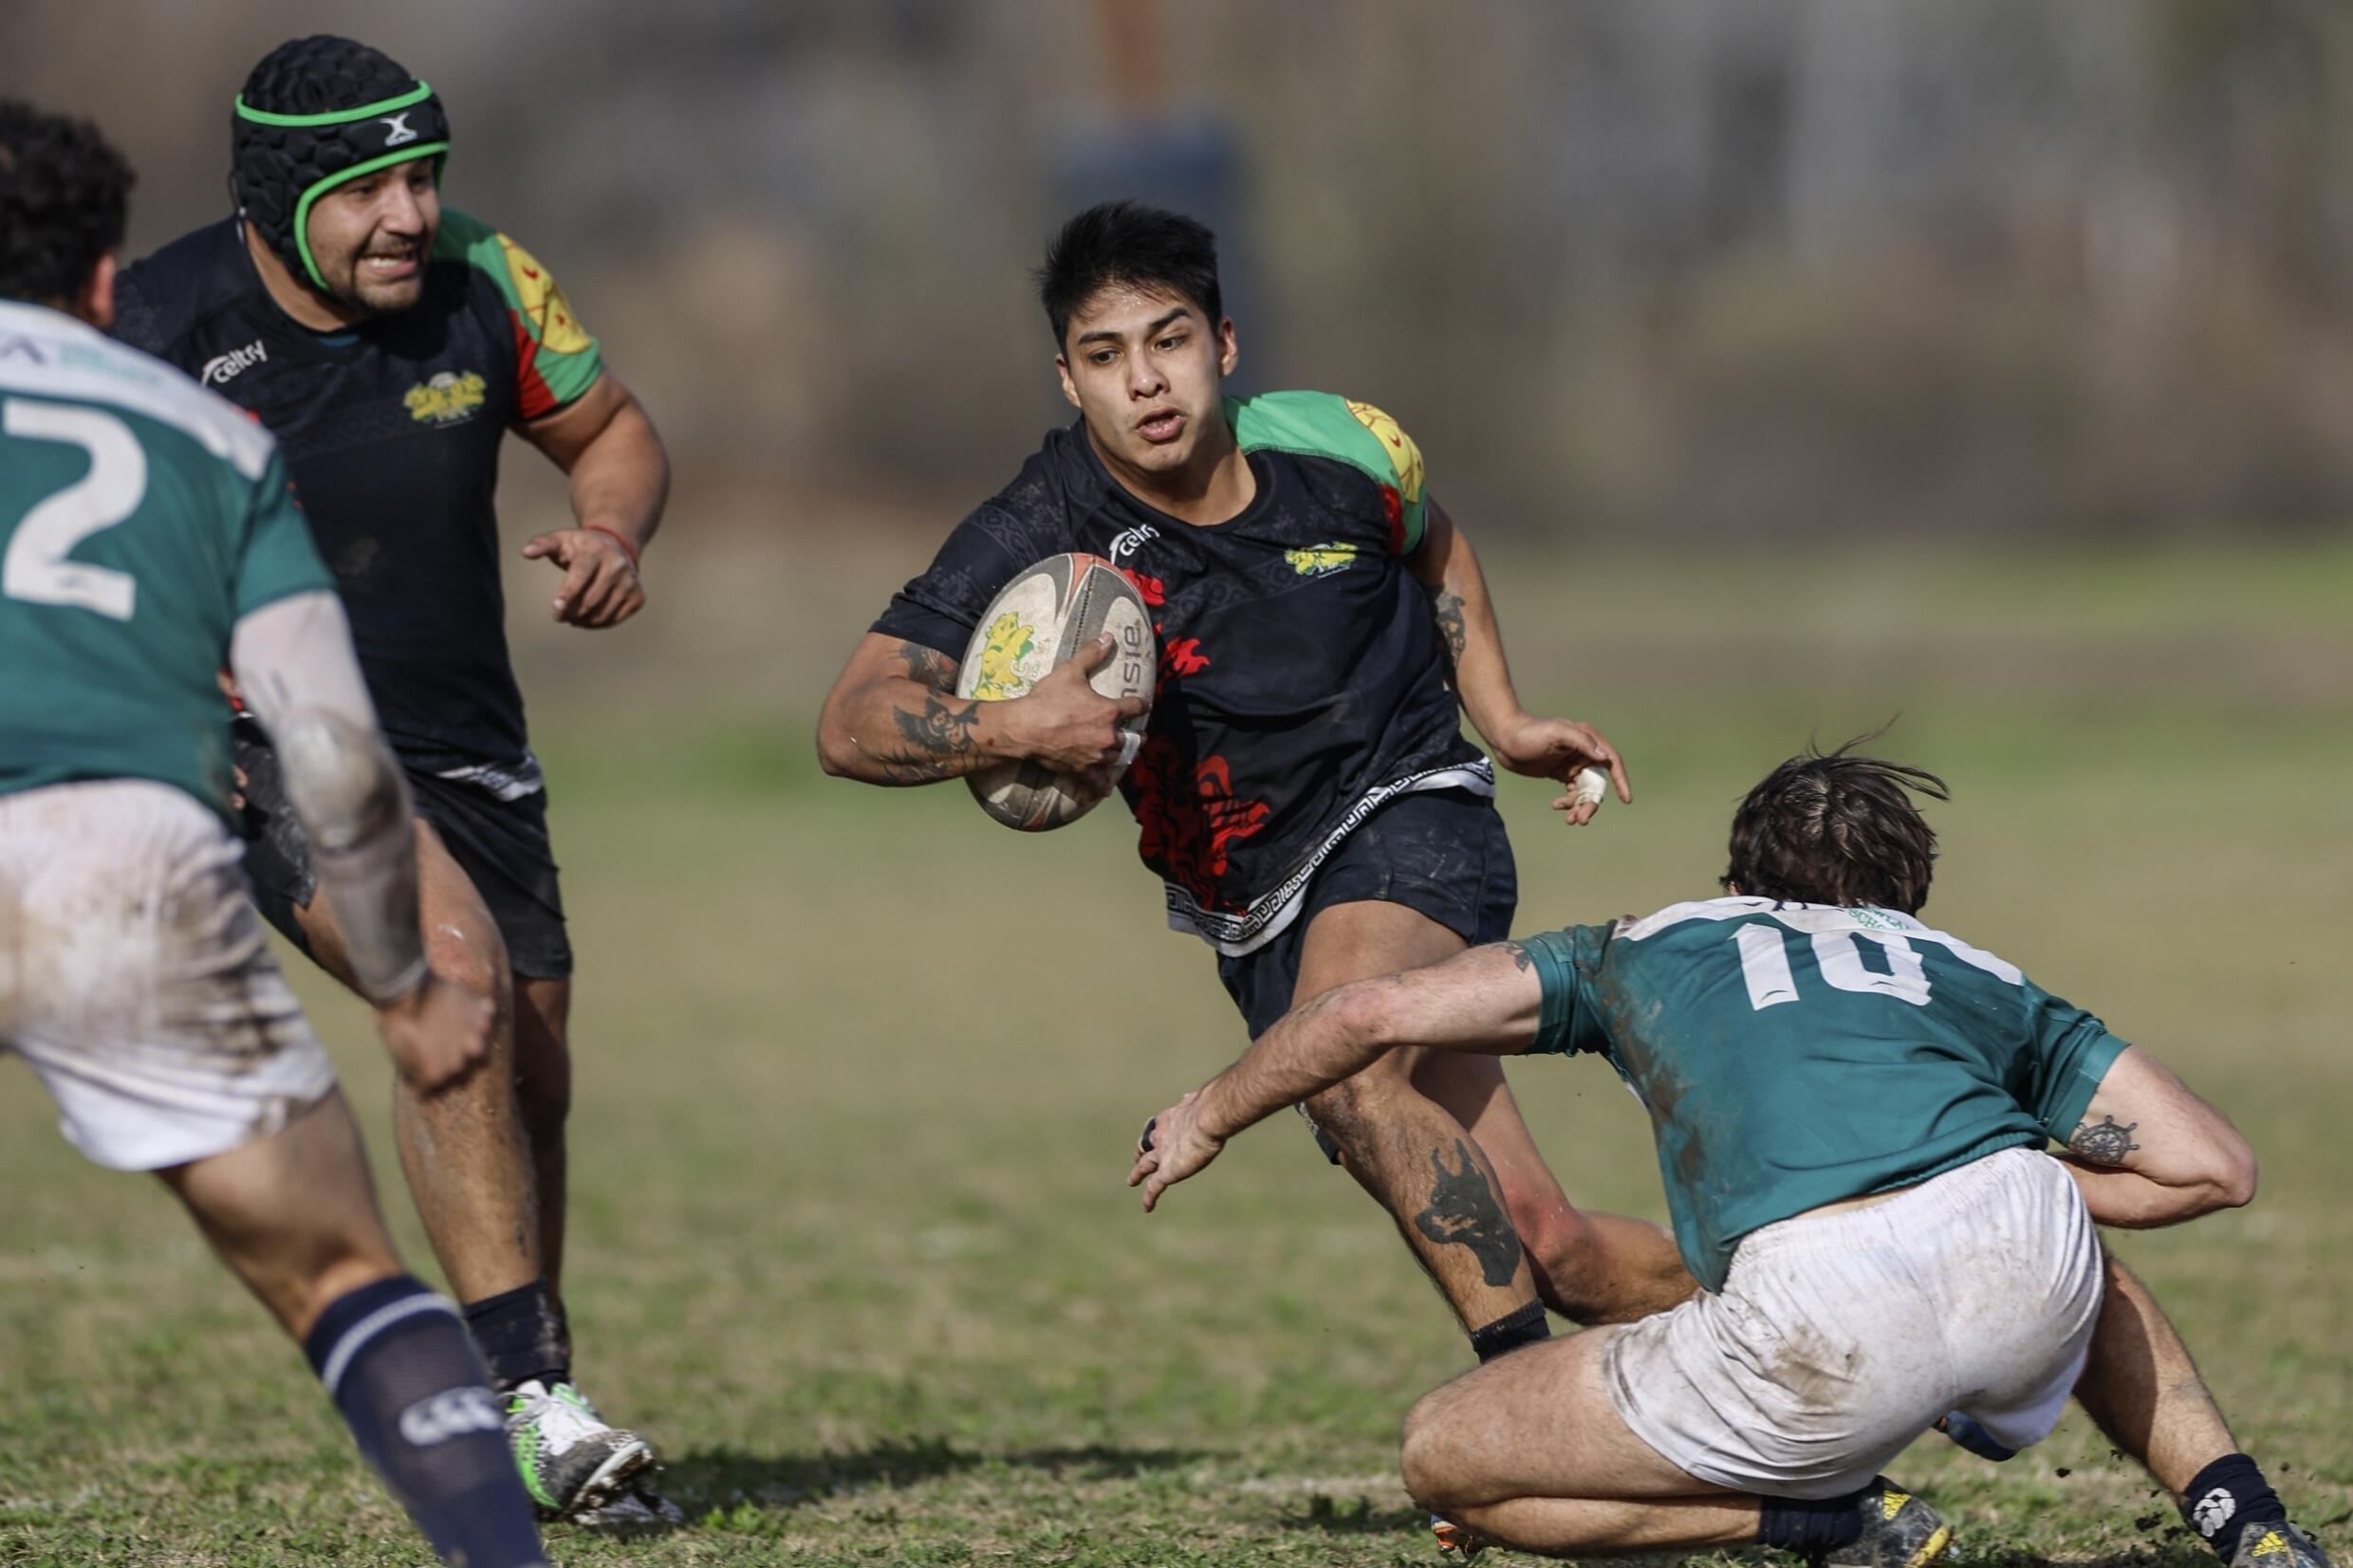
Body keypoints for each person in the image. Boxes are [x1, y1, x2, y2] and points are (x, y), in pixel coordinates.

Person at [818, 200, 1691, 1368]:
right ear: (1067, 381)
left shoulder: (1338, 447)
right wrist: (1012, 725)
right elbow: (850, 721)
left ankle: (1518, 1406)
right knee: (1550, 1247)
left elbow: (1431, 542)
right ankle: (1823, 1303)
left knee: (1350, 1070)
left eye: (1168, 340)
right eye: (1104, 356)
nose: (1143, 380)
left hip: (1407, 809)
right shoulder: (1040, 525)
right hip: (1255, 908)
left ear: (1222, 344)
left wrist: (1502, 717)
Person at [1131, 746, 2331, 1568]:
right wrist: (1986, 1163)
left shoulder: (1647, 945)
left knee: (1444, 1457)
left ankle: (1827, 1525)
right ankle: (2248, 1526)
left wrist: (1207, 1116)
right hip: (2017, 1255)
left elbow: (1360, 1016)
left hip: (1816, 1324)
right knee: (2061, 1235)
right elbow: (2212, 1168)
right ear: (1905, 896)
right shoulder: (1966, 969)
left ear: (1735, 877)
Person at [105, 36, 674, 1522]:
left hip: (470, 745)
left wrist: (612, 529)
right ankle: (535, 1401)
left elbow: (610, 429)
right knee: (449, 976)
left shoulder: (487, 279)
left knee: (527, 1080)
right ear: (276, 201)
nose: (410, 215)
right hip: (266, 737)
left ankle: (531, 1400)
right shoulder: (155, 325)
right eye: (368, 191)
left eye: (424, 177)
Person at [0, 100, 551, 1568]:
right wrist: (404, 980)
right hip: (122, 862)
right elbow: (332, 743)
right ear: (103, 284)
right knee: (341, 1274)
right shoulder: (206, 436)